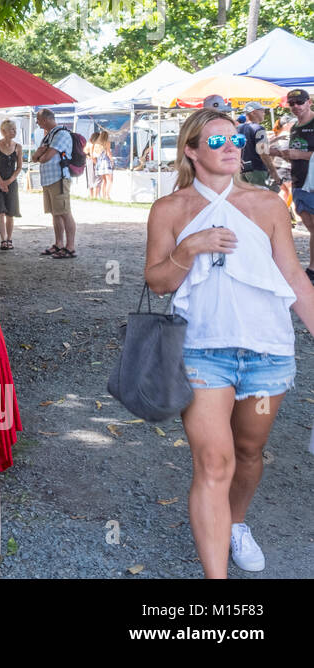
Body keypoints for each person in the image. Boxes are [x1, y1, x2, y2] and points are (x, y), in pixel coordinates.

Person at [144, 108, 314, 577]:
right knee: (214, 463)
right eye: (216, 142)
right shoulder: (170, 209)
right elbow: (157, 282)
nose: (231, 149)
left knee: (247, 453)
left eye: (235, 141)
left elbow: (294, 278)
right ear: (192, 151)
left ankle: (236, 522)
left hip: (267, 353)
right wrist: (188, 249)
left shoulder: (267, 206)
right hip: (201, 353)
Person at [270, 89, 314, 283]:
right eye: (292, 103)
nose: (296, 106)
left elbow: (303, 153)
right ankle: (312, 268)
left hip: (311, 185)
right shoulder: (294, 126)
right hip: (298, 183)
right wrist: (278, 153)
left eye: (300, 102)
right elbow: (296, 153)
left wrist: (301, 155)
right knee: (311, 227)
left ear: (309, 102)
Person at [32, 108, 77, 258]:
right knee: (55, 213)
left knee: (64, 212)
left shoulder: (61, 134)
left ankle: (70, 247)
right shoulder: (48, 136)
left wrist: (40, 154)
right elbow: (35, 157)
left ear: (45, 119)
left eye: (38, 120)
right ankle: (59, 244)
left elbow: (45, 157)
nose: (37, 123)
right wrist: (39, 155)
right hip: (49, 179)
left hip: (59, 178)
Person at [0, 119, 22, 249]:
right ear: (3, 131)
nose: (15, 131)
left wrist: (9, 181)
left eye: (15, 129)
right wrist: (1, 182)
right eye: (12, 129)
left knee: (10, 212)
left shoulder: (18, 147)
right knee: (0, 211)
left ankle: (9, 238)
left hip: (12, 183)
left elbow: (19, 167)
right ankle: (3, 240)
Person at [236, 101, 278, 188]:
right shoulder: (259, 129)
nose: (264, 113)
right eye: (262, 110)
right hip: (257, 170)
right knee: (263, 197)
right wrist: (273, 170)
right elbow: (263, 152)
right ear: (254, 112)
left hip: (242, 170)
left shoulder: (238, 128)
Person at [92, 130, 114, 200]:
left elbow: (94, 155)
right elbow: (108, 153)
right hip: (106, 162)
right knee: (109, 180)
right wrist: (112, 161)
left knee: (104, 180)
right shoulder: (107, 142)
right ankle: (107, 195)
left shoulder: (96, 144)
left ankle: (104, 195)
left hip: (99, 163)